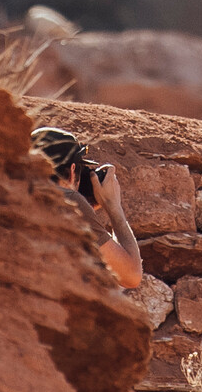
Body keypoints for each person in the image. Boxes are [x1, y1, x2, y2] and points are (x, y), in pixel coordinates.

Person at [32, 125, 144, 292]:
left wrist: (88, 208)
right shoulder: (70, 200)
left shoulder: (18, 191)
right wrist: (113, 206)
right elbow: (131, 275)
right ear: (72, 171)